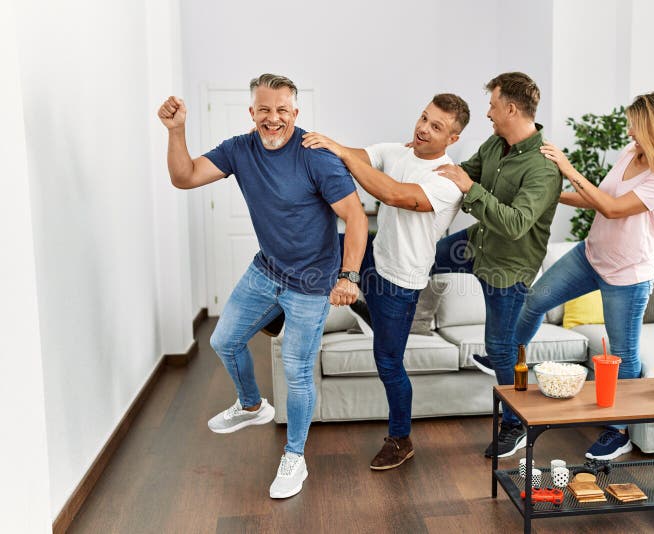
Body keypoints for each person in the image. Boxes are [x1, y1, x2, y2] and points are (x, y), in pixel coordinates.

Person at [157, 73, 368, 499]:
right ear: (252, 112)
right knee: (224, 340)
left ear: (295, 113)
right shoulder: (240, 149)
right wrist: (177, 131)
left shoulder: (316, 156)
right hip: (266, 270)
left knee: (295, 370)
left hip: (311, 282)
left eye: (282, 111)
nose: (273, 119)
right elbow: (184, 177)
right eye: (265, 110)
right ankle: (252, 405)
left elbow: (356, 216)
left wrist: (348, 277)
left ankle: (295, 457)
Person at [513, 91, 654, 460]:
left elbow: (614, 210)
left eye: (635, 123)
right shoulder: (631, 153)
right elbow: (599, 197)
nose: (629, 129)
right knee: (535, 300)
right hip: (590, 255)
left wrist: (567, 168)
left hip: (627, 274)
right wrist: (550, 194)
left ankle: (618, 432)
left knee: (622, 353)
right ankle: (505, 355)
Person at [301, 94, 470, 470]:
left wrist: (342, 155)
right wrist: (330, 145)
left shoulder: (448, 181)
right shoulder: (399, 152)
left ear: (452, 139)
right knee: (322, 244)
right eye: (424, 118)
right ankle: (279, 311)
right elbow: (360, 154)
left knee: (388, 361)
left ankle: (400, 439)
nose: (423, 128)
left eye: (436, 126)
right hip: (375, 258)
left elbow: (392, 194)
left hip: (402, 282)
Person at [432, 72, 561, 458]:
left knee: (501, 348)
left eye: (492, 105)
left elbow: (516, 223)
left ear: (510, 108)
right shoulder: (496, 143)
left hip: (509, 266)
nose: (487, 112)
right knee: (419, 259)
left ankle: (516, 425)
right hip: (477, 245)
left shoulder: (542, 168)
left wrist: (471, 191)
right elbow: (468, 170)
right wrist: (425, 163)